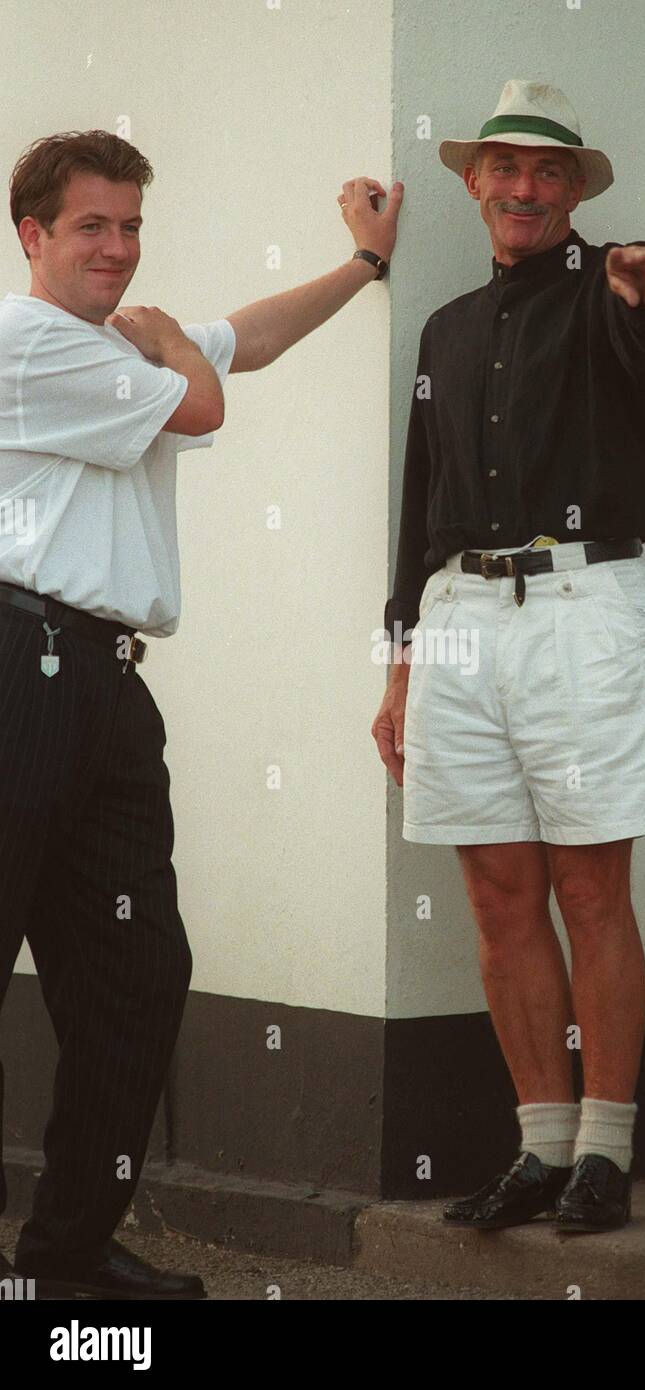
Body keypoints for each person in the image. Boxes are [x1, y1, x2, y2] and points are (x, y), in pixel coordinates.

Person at [0, 128, 402, 1298]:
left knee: (138, 972)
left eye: (132, 225)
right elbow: (203, 402)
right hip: (21, 668)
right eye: (92, 226)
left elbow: (247, 341)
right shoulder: (29, 343)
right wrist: (176, 344)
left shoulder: (116, 348)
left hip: (106, 691)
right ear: (32, 236)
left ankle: (66, 1258)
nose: (119, 248)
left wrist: (361, 267)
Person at [373, 80, 645, 1233]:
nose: (521, 188)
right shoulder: (446, 329)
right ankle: (539, 1149)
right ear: (473, 184)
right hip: (458, 616)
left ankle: (605, 1153)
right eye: (503, 169)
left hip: (582, 605)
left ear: (572, 193)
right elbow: (420, 507)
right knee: (497, 892)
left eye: (546, 173)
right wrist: (401, 661)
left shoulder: (610, 288)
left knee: (586, 885)